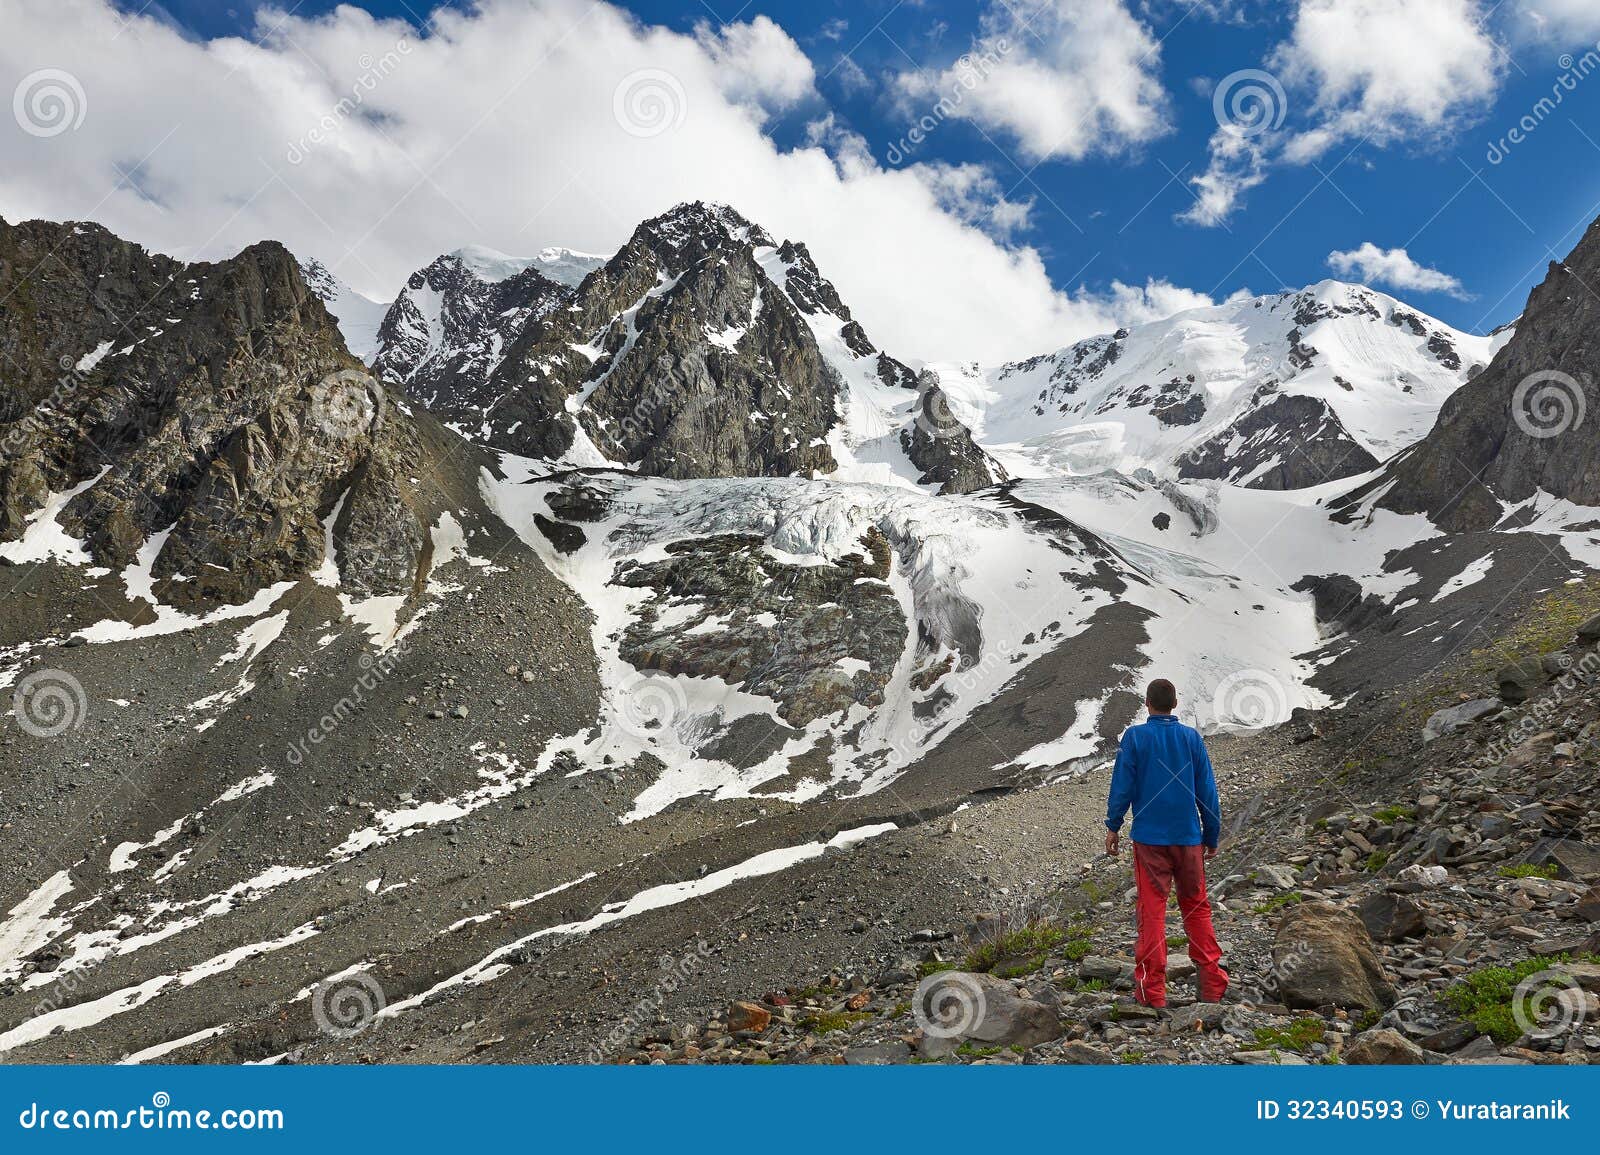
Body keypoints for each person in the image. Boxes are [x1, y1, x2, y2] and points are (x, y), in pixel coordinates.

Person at [1104, 677, 1229, 1007]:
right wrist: (1211, 835)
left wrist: (1113, 825)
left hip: (1149, 841)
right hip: (1188, 840)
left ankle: (1152, 993)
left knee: (1152, 913)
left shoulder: (1136, 738)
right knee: (1197, 909)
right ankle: (1212, 985)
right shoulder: (1191, 738)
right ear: (1175, 705)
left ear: (1147, 704)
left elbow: (1122, 788)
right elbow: (1208, 792)